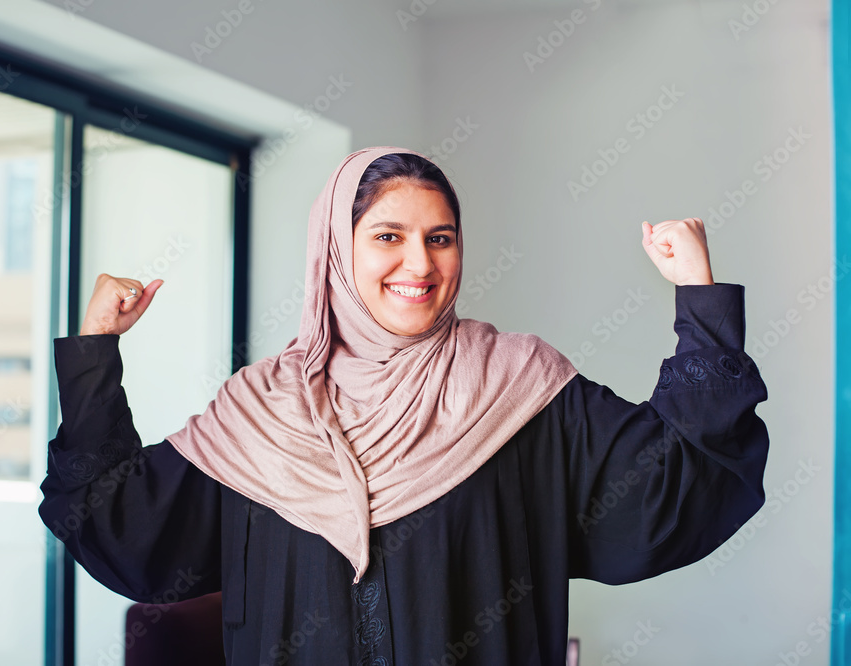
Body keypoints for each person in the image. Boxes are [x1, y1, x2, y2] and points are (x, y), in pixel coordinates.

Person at [39, 146, 769, 665]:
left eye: (440, 239)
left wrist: (699, 300)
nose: (420, 264)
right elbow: (122, 527)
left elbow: (683, 483)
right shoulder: (258, 410)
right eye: (388, 237)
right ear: (336, 253)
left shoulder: (522, 387)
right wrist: (96, 348)